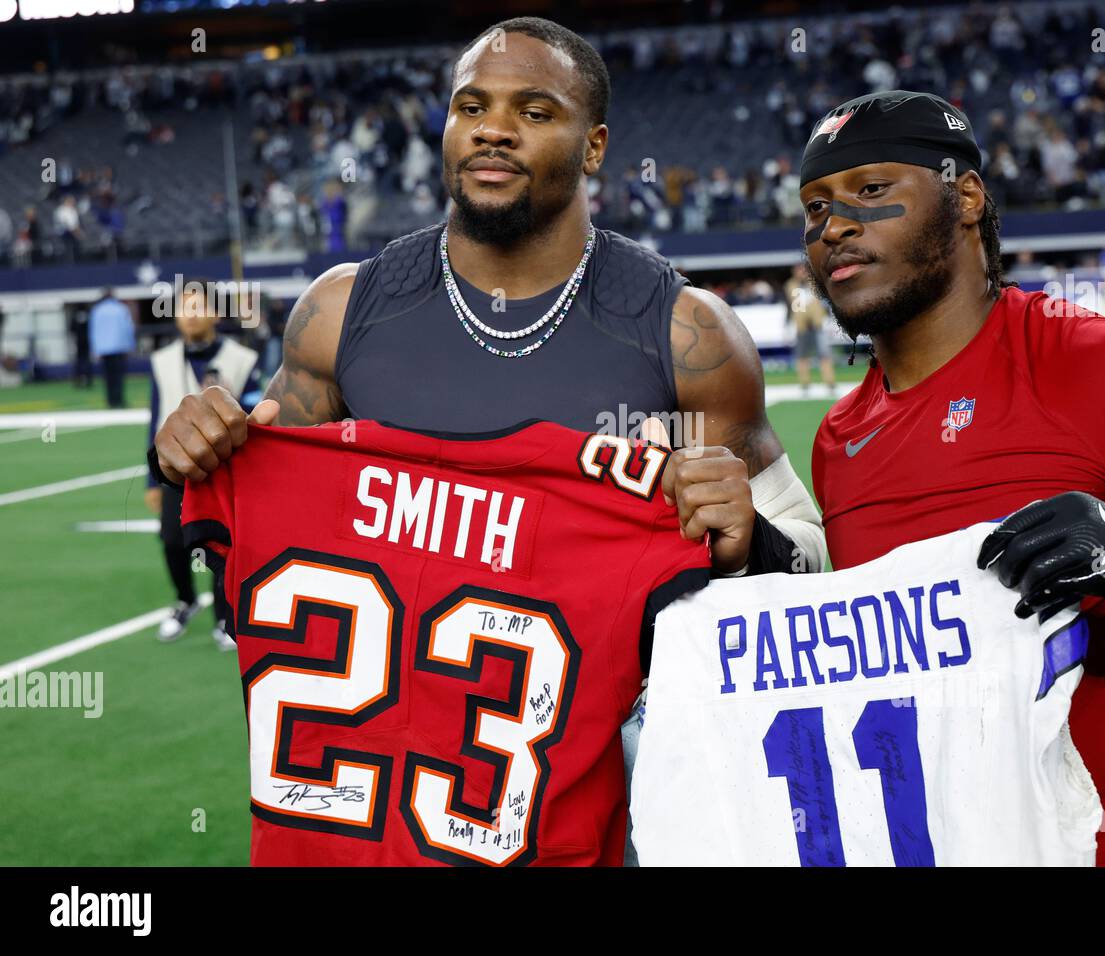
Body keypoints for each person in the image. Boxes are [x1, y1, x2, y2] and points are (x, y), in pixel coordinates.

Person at [149, 18, 827, 865]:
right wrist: (194, 451)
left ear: (595, 148)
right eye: (471, 105)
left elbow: (809, 563)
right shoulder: (340, 314)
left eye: (536, 111)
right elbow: (248, 505)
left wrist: (745, 538)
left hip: (597, 808)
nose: (494, 128)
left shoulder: (688, 335)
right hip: (361, 816)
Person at [802, 90, 1105, 867]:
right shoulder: (837, 441)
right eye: (814, 208)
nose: (832, 227)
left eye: (871, 192)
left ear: (966, 198)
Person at [146, 281, 261, 648]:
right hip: (174, 471)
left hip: (224, 470)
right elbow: (155, 418)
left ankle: (225, 615)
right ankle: (185, 600)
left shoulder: (242, 358)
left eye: (197, 307)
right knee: (170, 540)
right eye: (183, 307)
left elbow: (255, 412)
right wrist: (152, 479)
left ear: (215, 312)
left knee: (221, 541)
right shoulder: (161, 361)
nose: (189, 315)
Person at [784, 261, 836, 395]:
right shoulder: (790, 285)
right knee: (802, 356)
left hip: (817, 325)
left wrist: (828, 319)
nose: (801, 273)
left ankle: (830, 383)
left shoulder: (815, 283)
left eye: (803, 270)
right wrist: (787, 324)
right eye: (798, 270)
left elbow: (826, 301)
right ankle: (805, 384)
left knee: (824, 354)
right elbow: (789, 306)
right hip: (802, 326)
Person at [88, 288, 134, 409]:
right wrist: (130, 345)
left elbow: (93, 331)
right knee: (119, 376)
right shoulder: (121, 308)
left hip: (104, 349)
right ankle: (119, 400)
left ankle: (110, 401)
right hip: (119, 347)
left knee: (108, 377)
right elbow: (128, 328)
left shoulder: (97, 310)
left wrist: (95, 349)